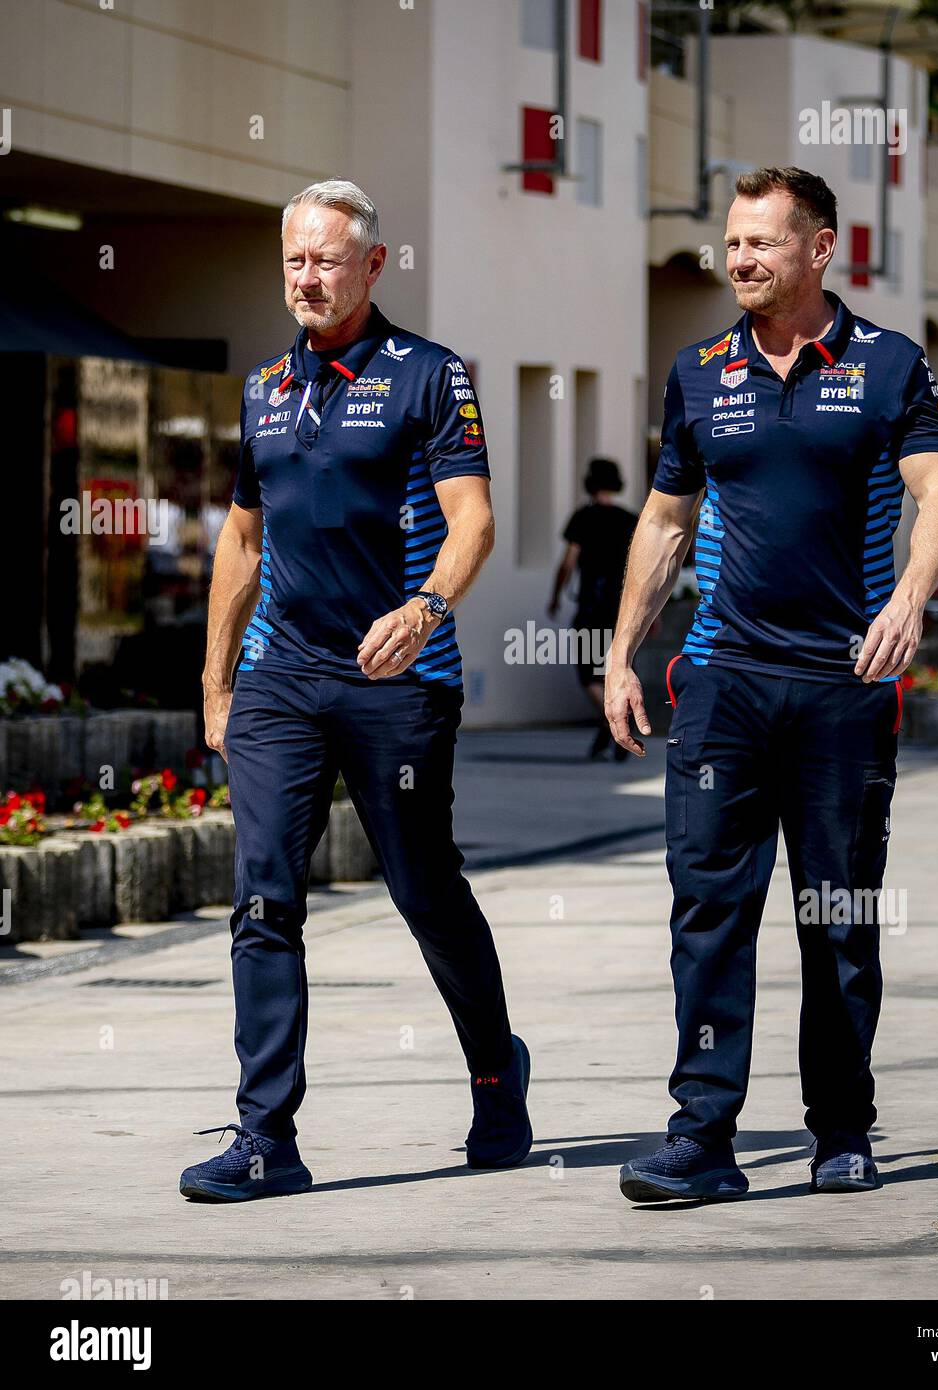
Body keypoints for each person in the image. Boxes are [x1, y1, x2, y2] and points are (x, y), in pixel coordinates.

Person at [605, 167, 938, 1203]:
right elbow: (666, 520)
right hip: (722, 683)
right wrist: (622, 653)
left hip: (842, 687)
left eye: (763, 241)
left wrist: (907, 601)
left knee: (836, 914)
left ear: (821, 249)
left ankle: (841, 1128)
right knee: (707, 914)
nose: (740, 258)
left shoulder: (890, 366)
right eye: (732, 240)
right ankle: (702, 1138)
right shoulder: (699, 371)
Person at [180, 179, 531, 1202]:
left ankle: (496, 1073)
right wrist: (215, 679)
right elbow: (240, 541)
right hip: (283, 677)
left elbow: (475, 522)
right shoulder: (264, 390)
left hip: (399, 680)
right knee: (261, 897)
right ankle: (265, 1135)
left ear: (373, 265)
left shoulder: (428, 376)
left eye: (326, 258)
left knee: (424, 890)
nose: (307, 275)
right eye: (294, 258)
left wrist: (423, 609)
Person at [549, 458, 638, 759]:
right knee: (616, 668)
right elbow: (640, 571)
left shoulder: (583, 518)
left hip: (590, 607)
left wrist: (556, 595)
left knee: (588, 674)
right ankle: (613, 723)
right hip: (622, 609)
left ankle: (612, 722)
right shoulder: (629, 520)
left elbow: (568, 563)